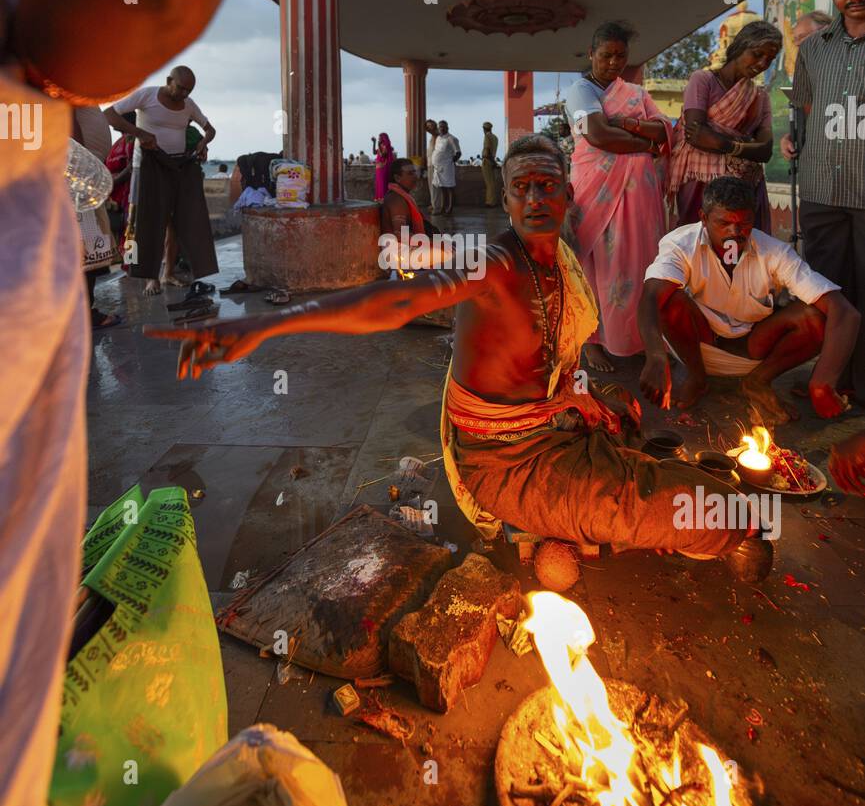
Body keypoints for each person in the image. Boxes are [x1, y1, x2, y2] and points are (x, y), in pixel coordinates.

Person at [0, 0, 250, 806]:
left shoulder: (187, 108)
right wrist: (49, 62)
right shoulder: (144, 104)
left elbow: (184, 112)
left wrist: (184, 111)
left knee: (173, 230)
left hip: (132, 160)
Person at [148, 135, 775, 584]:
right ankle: (601, 520)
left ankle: (589, 516)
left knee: (628, 419)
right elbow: (397, 298)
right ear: (505, 199)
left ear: (566, 194)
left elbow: (559, 357)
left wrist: (578, 398)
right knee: (717, 512)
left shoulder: (562, 257)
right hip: (504, 463)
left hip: (549, 423)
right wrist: (271, 324)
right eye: (521, 188)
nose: (535, 199)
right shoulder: (495, 262)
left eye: (547, 186)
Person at [638, 175, 859, 425]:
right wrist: (655, 355)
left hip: (755, 347)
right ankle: (697, 378)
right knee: (669, 298)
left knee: (815, 317)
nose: (735, 232)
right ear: (703, 218)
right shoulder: (680, 244)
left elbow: (845, 312)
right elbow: (651, 297)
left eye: (744, 224)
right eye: (724, 223)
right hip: (699, 343)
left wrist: (822, 381)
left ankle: (758, 381)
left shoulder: (774, 251)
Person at [782, 0, 865, 406]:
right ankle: (830, 381)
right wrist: (793, 137)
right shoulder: (813, 50)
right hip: (821, 189)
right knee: (829, 291)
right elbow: (803, 110)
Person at [565, 21, 672, 372]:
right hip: (596, 189)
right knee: (597, 265)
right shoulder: (581, 90)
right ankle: (591, 342)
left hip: (640, 195)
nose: (613, 62)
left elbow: (665, 130)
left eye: (620, 56)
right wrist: (644, 143)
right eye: (606, 55)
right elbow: (598, 135)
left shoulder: (636, 93)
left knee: (639, 262)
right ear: (591, 54)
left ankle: (637, 337)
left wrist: (632, 127)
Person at [104, 65, 217, 296]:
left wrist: (203, 143)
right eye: (181, 88)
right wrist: (139, 133)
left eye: (189, 91)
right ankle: (150, 277)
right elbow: (109, 114)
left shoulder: (188, 105)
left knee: (177, 222)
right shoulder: (147, 95)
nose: (184, 94)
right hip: (147, 164)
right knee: (148, 221)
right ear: (169, 80)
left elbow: (210, 130)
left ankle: (168, 273)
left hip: (177, 165)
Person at [669, 20, 780, 234]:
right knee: (699, 245)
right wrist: (747, 145)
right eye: (757, 54)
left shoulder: (760, 96)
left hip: (745, 187)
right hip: (701, 184)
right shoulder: (703, 80)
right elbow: (695, 135)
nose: (763, 63)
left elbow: (765, 151)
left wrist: (723, 143)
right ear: (740, 46)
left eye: (770, 59)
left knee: (742, 251)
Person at [73, 106, 122, 328]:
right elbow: (69, 125)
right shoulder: (66, 86)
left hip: (80, 178)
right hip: (78, 180)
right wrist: (83, 167)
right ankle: (83, 314)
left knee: (87, 252)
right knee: (86, 253)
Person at [380, 158, 436, 240]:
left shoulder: (400, 195)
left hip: (406, 245)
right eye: (410, 173)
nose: (415, 176)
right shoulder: (396, 200)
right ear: (397, 178)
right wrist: (430, 242)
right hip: (397, 249)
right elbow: (400, 234)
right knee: (448, 250)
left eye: (414, 172)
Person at [432, 119, 461, 215]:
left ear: (447, 128)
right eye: (440, 127)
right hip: (438, 168)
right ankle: (443, 208)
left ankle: (450, 208)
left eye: (443, 127)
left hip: (447, 168)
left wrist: (450, 162)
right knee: (442, 188)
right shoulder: (438, 138)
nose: (441, 128)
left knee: (449, 188)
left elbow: (458, 152)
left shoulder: (451, 138)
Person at [425, 118, 444, 215]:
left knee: (435, 187)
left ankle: (437, 208)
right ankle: (434, 205)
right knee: (431, 187)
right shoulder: (433, 137)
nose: (428, 128)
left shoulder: (437, 136)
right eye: (427, 126)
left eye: (430, 126)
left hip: (435, 165)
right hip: (430, 164)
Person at [372, 132, 396, 201]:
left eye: (379, 137)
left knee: (383, 183)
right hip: (379, 168)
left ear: (383, 138)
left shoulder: (386, 146)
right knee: (379, 184)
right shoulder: (381, 146)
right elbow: (374, 152)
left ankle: (383, 199)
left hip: (383, 167)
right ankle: (379, 198)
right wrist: (374, 142)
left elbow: (383, 155)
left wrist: (378, 145)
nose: (379, 139)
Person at [481, 121, 499, 206]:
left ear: (484, 129)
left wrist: (492, 161)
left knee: (489, 183)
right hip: (492, 160)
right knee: (492, 183)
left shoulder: (487, 137)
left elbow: (487, 150)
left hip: (487, 161)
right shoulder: (495, 137)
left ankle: (490, 202)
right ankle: (493, 201)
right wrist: (494, 162)